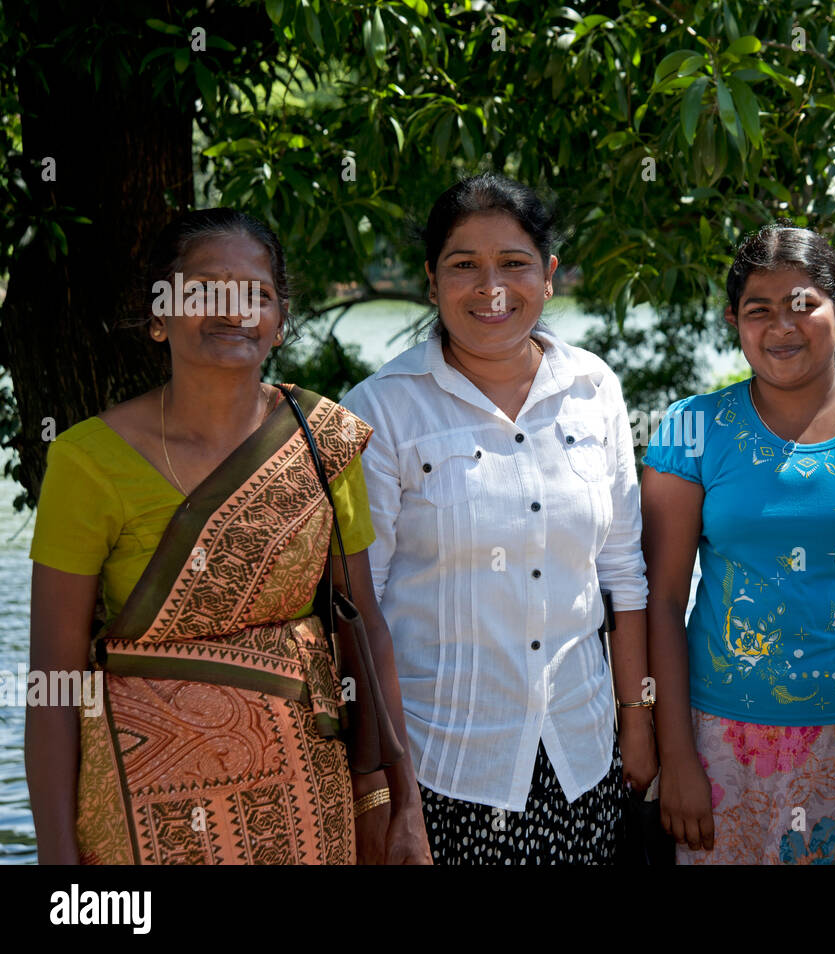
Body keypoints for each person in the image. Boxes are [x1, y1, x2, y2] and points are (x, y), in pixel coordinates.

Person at [25, 208, 430, 865]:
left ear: (278, 322)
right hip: (135, 815)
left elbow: (367, 631)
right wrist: (58, 861)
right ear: (160, 314)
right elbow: (54, 677)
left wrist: (405, 807)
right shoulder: (86, 462)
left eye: (257, 293)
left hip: (306, 808)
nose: (233, 308)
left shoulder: (323, 442)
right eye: (204, 288)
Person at [341, 173, 656, 864]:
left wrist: (637, 722)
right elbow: (361, 614)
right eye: (464, 266)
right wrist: (386, 783)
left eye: (513, 263)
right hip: (441, 765)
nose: (491, 288)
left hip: (583, 754)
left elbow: (624, 576)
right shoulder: (381, 409)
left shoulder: (594, 390)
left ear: (547, 276)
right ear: (431, 282)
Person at [641, 224, 835, 864]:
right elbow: (663, 600)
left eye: (804, 304)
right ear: (734, 320)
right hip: (722, 743)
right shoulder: (694, 428)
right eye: (759, 310)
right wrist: (676, 757)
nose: (783, 325)